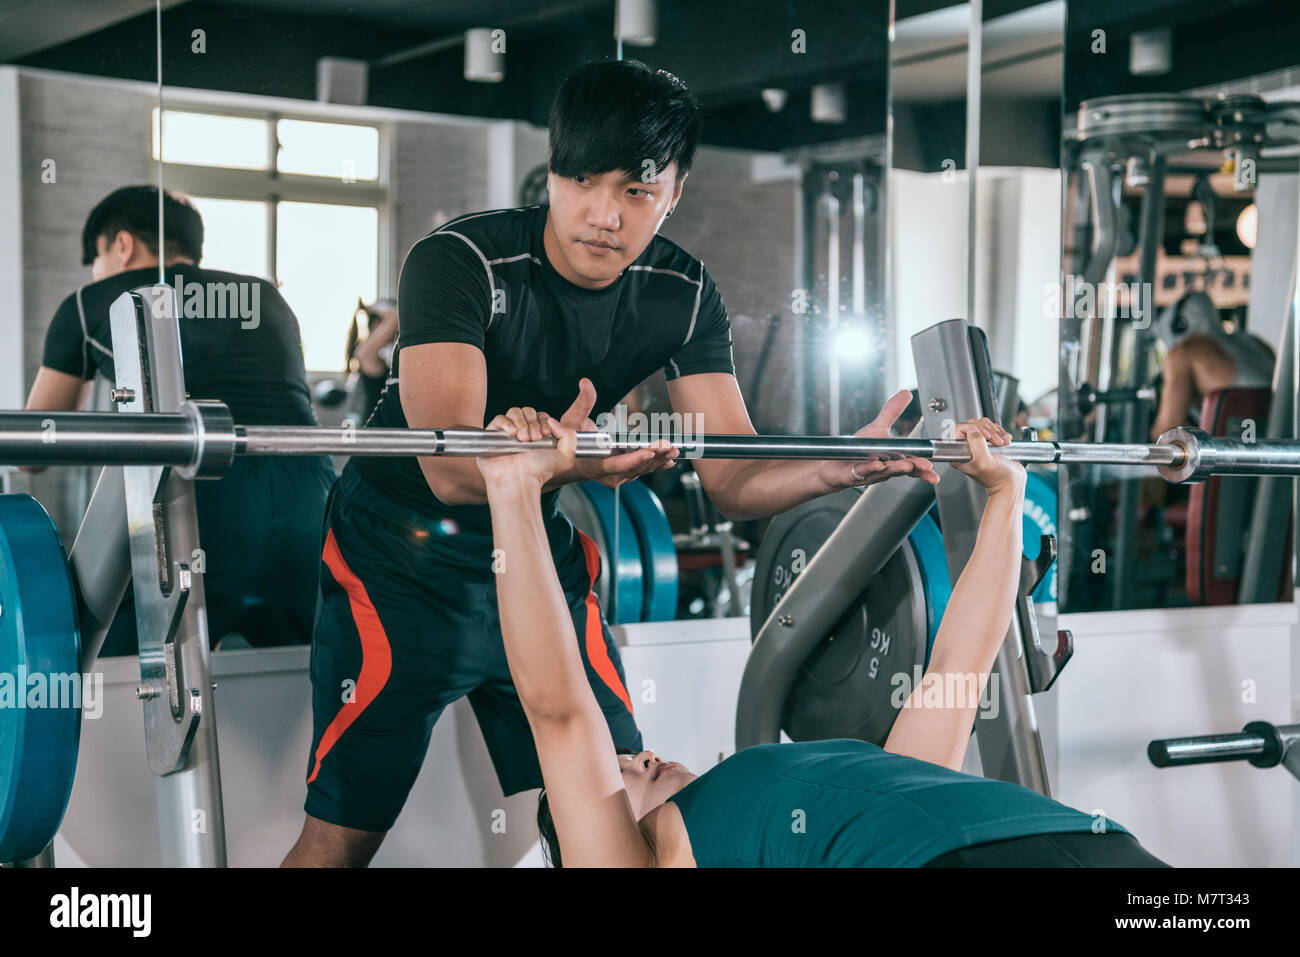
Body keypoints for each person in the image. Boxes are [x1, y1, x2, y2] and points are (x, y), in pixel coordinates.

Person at [281, 58, 937, 867]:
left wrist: (840, 469)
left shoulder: (681, 291)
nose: (604, 214)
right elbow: (453, 468)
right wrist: (581, 468)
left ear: (675, 193)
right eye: (583, 180)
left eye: (636, 190)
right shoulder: (461, 262)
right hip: (398, 555)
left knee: (613, 802)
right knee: (343, 839)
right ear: (551, 174)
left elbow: (729, 477)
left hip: (537, 555)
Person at [478, 409, 1170, 868]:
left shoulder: (868, 779)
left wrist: (1007, 493)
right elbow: (562, 714)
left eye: (627, 756)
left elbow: (956, 673)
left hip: (1084, 842)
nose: (642, 754)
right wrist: (513, 492)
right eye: (621, 769)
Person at [24, 185, 336, 655]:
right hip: (309, 503)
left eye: (98, 256)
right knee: (306, 679)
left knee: (114, 677)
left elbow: (36, 452)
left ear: (122, 243)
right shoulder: (265, 295)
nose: (97, 270)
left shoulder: (93, 303)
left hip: (196, 498)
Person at [1149, 290, 1275, 439]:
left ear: (1179, 326)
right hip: (1279, 451)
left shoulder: (1183, 352)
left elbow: (1167, 434)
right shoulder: (1256, 342)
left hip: (1228, 456)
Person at [344, 297, 399, 424]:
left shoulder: (370, 357)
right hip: (373, 433)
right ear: (377, 324)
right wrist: (370, 308)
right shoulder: (366, 355)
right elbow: (394, 317)